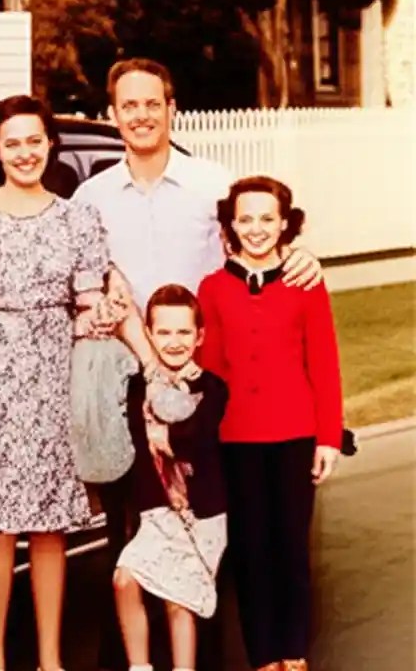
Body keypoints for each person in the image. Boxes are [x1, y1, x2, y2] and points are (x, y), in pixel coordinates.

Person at [70, 57, 325, 671]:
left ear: (171, 108)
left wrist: (305, 256)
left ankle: (202, 660)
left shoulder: (212, 183)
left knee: (204, 522)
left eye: (152, 103)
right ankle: (132, 661)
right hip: (128, 380)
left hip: (204, 381)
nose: (141, 115)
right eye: (128, 105)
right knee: (132, 532)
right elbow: (83, 286)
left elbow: (261, 242)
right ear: (113, 115)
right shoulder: (92, 196)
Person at [0, 94, 108, 671]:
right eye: (13, 143)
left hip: (56, 373)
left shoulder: (77, 218)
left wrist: (104, 309)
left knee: (52, 522)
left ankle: (51, 660)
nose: (26, 152)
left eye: (35, 140)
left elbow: (86, 300)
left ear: (50, 144)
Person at [196, 175, 343, 671]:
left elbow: (324, 361)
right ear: (230, 226)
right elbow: (211, 370)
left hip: (296, 434)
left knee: (291, 548)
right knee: (251, 551)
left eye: (266, 219)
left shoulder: (307, 283)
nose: (256, 229)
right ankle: (263, 655)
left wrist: (328, 437)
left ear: (284, 224)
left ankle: (293, 651)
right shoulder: (212, 289)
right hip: (236, 438)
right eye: (245, 219)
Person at [113, 284, 230, 671]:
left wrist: (163, 428)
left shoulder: (212, 388)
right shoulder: (135, 388)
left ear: (200, 337)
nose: (174, 341)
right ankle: (140, 666)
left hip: (201, 515)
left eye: (183, 332)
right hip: (156, 511)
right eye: (164, 332)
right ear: (148, 334)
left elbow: (193, 434)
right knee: (125, 579)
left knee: (179, 601)